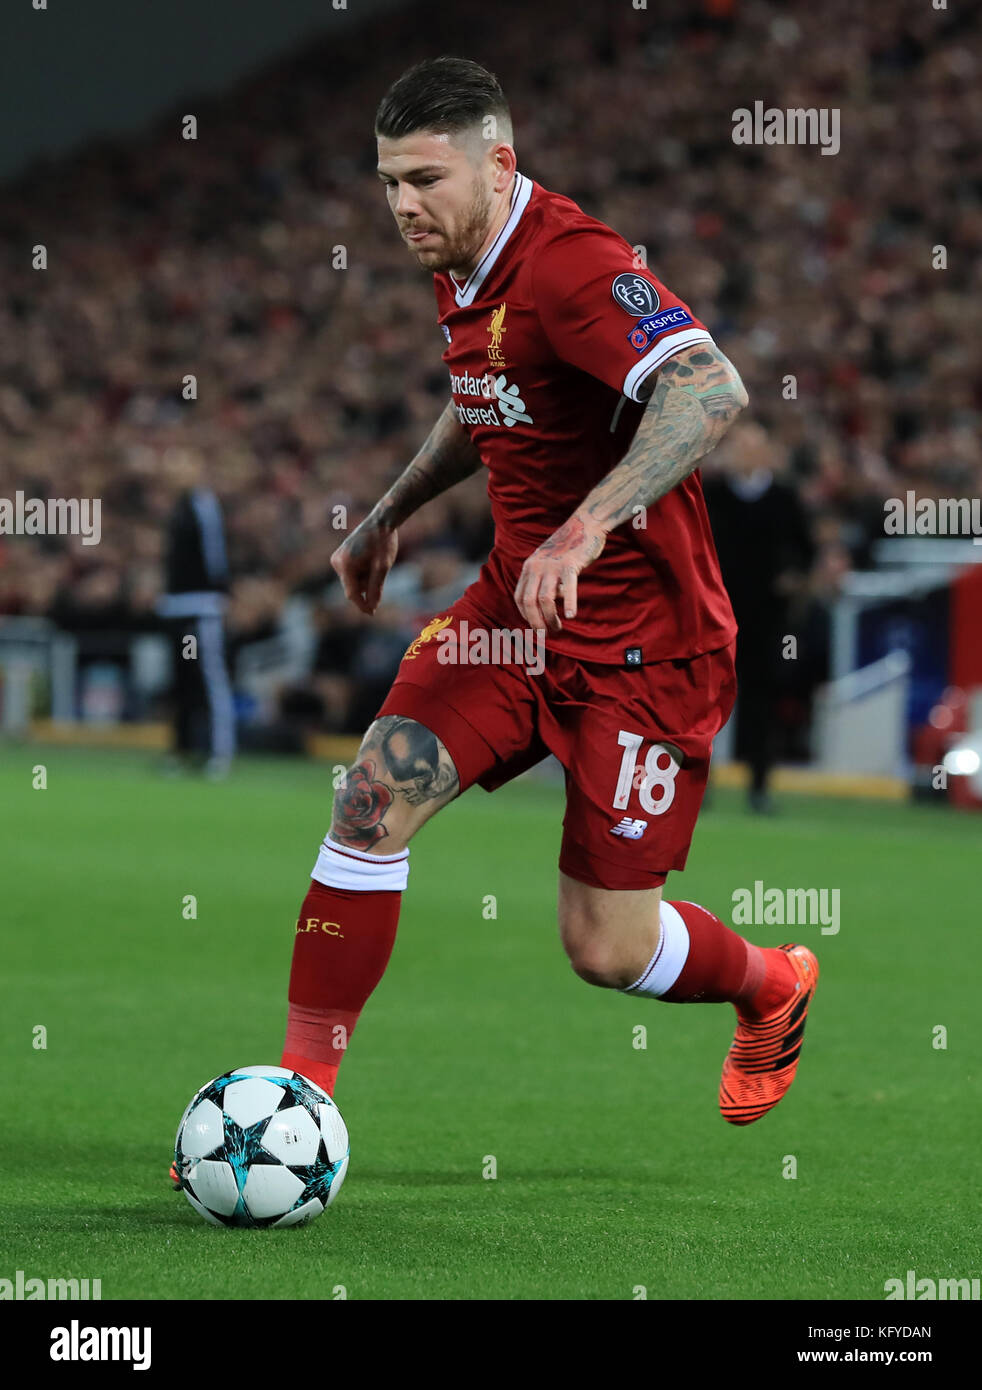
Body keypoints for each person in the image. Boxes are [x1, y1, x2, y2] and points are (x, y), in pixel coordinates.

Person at [197, 52, 819, 1179]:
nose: (400, 206)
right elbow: (485, 390)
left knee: (603, 945)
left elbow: (709, 387)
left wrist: (586, 527)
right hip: (513, 617)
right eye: (386, 182)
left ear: (500, 162)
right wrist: (389, 510)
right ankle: (299, 1096)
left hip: (645, 645)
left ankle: (771, 985)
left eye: (424, 179)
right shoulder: (461, 258)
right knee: (369, 798)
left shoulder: (572, 264)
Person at [703, 421, 816, 811]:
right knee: (704, 701)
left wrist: (793, 578)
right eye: (739, 447)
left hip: (767, 620)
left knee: (760, 702)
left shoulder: (784, 498)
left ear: (766, 453)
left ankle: (759, 786)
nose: (744, 455)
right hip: (714, 614)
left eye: (753, 447)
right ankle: (697, 785)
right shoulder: (712, 494)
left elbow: (806, 550)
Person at [156, 453, 236, 779]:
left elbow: (214, 557)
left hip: (202, 607)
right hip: (176, 606)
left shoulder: (203, 504)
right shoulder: (178, 507)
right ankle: (182, 750)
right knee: (182, 684)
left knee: (209, 681)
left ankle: (220, 753)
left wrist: (221, 596)